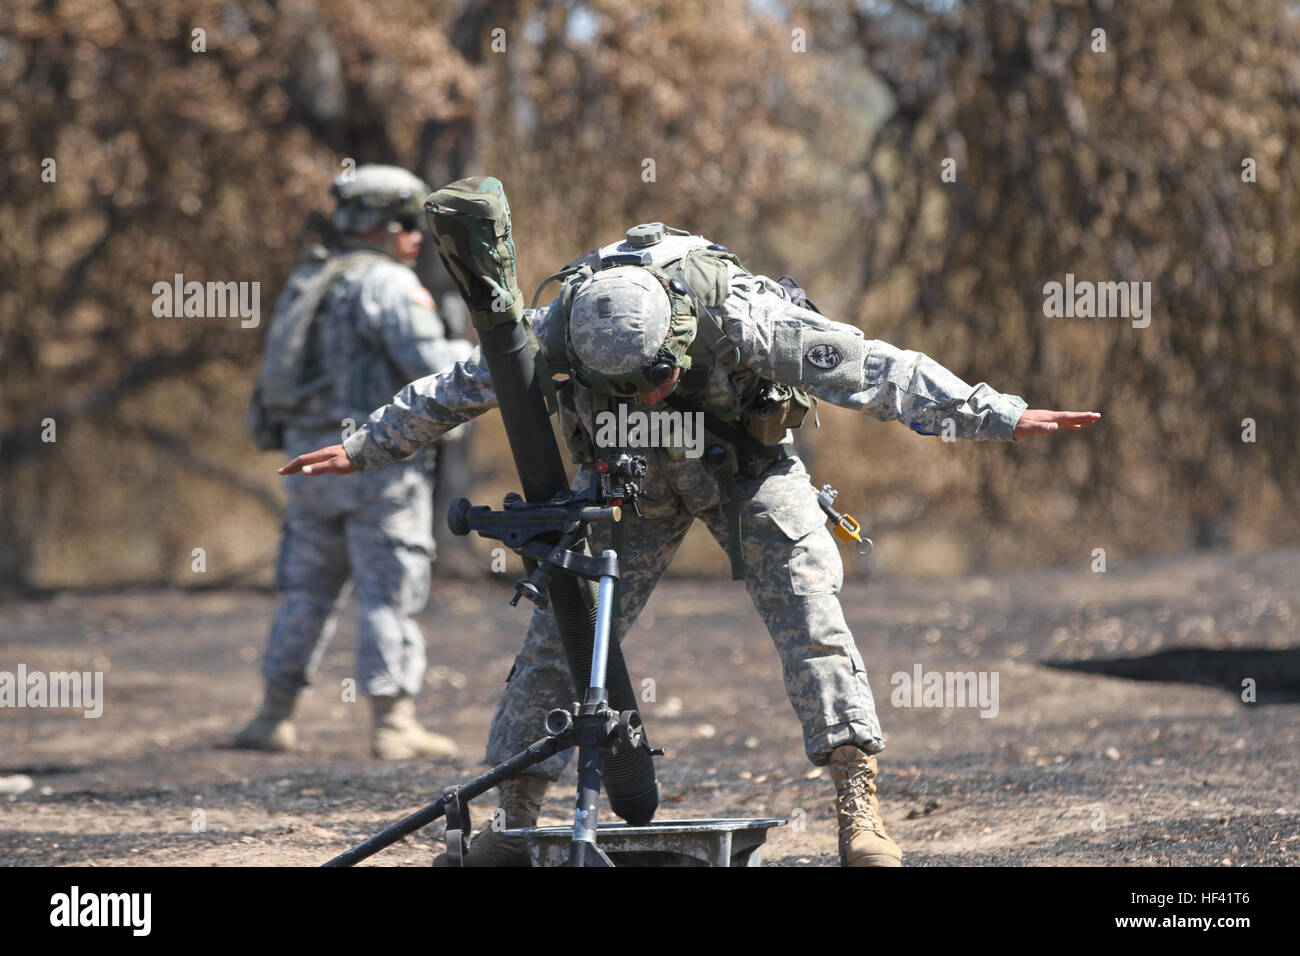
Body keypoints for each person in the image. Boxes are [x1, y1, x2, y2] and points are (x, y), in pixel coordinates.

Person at [279, 178, 1100, 864]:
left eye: (654, 379)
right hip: (624, 487)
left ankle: (858, 804)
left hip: (743, 470)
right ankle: (516, 811)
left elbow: (878, 371)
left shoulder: (744, 319)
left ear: (678, 338)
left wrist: (997, 413)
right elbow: (459, 387)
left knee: (812, 613)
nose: (644, 398)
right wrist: (364, 446)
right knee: (562, 633)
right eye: (625, 388)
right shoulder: (558, 330)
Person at [234, 165, 473, 760]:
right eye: (403, 224)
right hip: (373, 463)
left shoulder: (310, 280)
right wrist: (475, 349)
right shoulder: (389, 286)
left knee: (307, 592)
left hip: (305, 461)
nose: (413, 236)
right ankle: (393, 725)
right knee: (388, 593)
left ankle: (273, 716)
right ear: (378, 226)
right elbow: (431, 366)